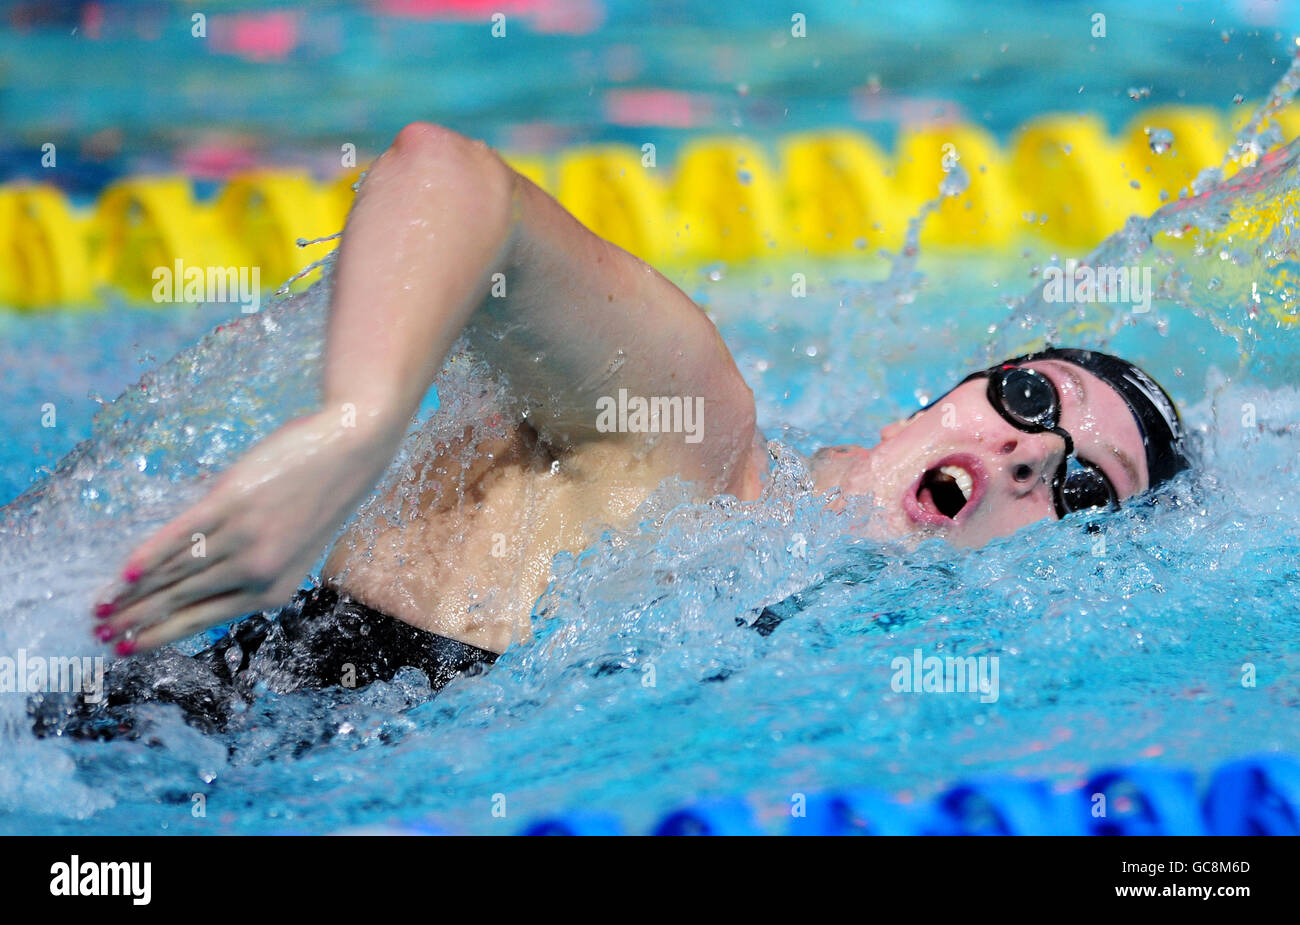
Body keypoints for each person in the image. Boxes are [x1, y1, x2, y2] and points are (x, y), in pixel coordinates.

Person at [80, 123, 1190, 725]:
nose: (1029, 448)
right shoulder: (696, 433)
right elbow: (449, 177)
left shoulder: (789, 642)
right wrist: (356, 423)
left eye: (1080, 490)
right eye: (1031, 400)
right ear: (939, 401)